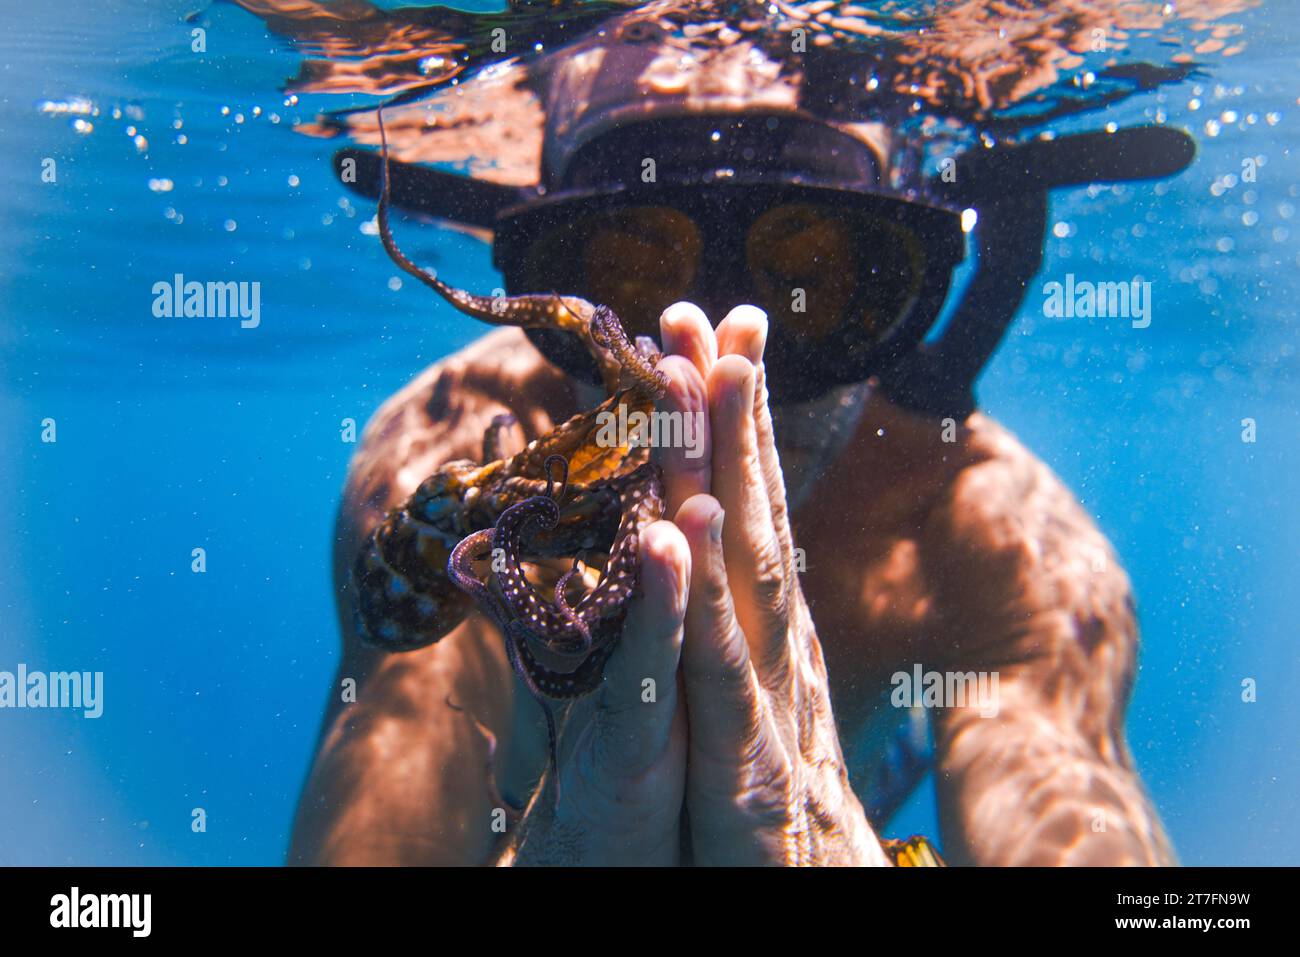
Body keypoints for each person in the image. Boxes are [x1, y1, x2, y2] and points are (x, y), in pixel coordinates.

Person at [282, 8, 1194, 866]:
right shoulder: (449, 465)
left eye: (819, 275)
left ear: (908, 296)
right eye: (630, 266)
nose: (718, 377)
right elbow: (390, 774)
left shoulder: (987, 531)